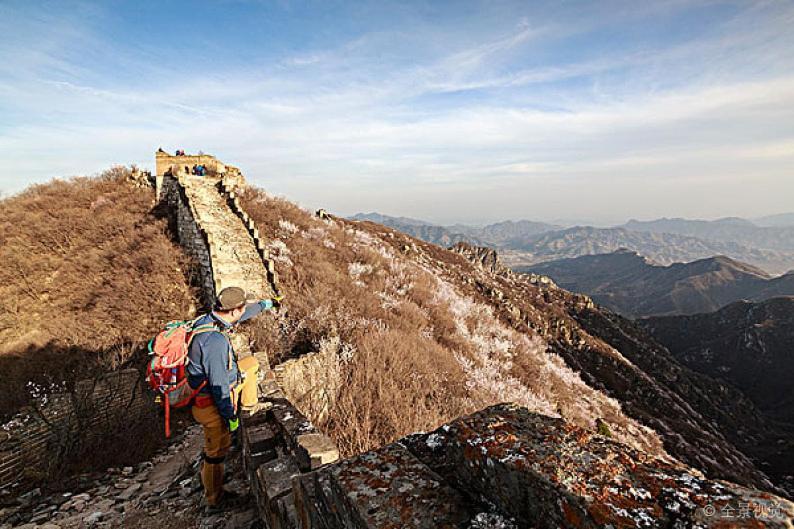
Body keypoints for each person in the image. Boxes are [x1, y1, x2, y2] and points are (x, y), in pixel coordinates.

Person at [186, 286, 282, 512]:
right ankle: (214, 499)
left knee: (250, 364)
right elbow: (218, 385)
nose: (244, 311)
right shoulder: (214, 342)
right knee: (216, 453)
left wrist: (267, 304)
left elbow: (244, 312)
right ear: (234, 310)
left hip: (212, 392)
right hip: (209, 404)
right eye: (242, 308)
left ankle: (249, 406)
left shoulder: (210, 319)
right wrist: (230, 417)